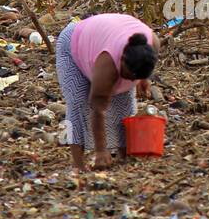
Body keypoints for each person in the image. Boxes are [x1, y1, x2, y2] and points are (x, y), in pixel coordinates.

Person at [56, 13, 157, 170]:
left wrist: (144, 79)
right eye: (130, 76)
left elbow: (146, 64)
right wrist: (101, 150)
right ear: (122, 60)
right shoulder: (108, 64)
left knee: (125, 104)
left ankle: (124, 156)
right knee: (78, 103)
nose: (130, 80)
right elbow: (97, 109)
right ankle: (78, 163)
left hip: (103, 34)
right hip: (74, 42)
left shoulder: (151, 42)